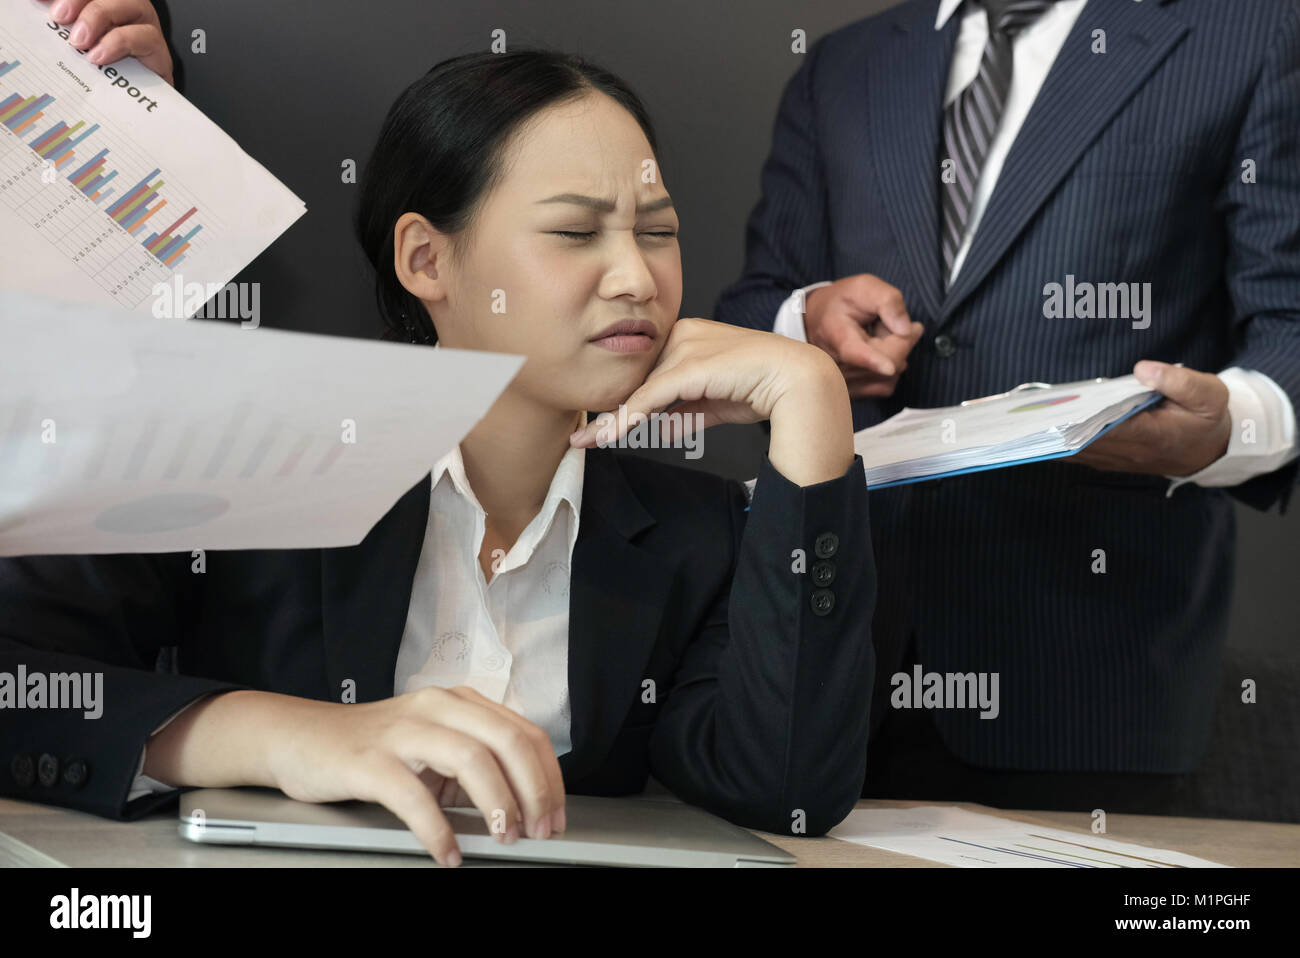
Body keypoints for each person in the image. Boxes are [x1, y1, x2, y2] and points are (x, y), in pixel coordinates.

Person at [1, 1, 874, 865]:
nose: (636, 277)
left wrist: (810, 401)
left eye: (659, 233)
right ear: (426, 259)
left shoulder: (695, 532)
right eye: (575, 232)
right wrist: (290, 737)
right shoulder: (256, 459)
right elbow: (21, 685)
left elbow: (786, 790)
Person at [716, 0, 1300, 815]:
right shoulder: (844, 64)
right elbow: (746, 310)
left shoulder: (1251, 34)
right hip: (829, 662)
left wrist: (1227, 428)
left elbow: (1291, 320)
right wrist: (802, 319)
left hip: (1085, 676)